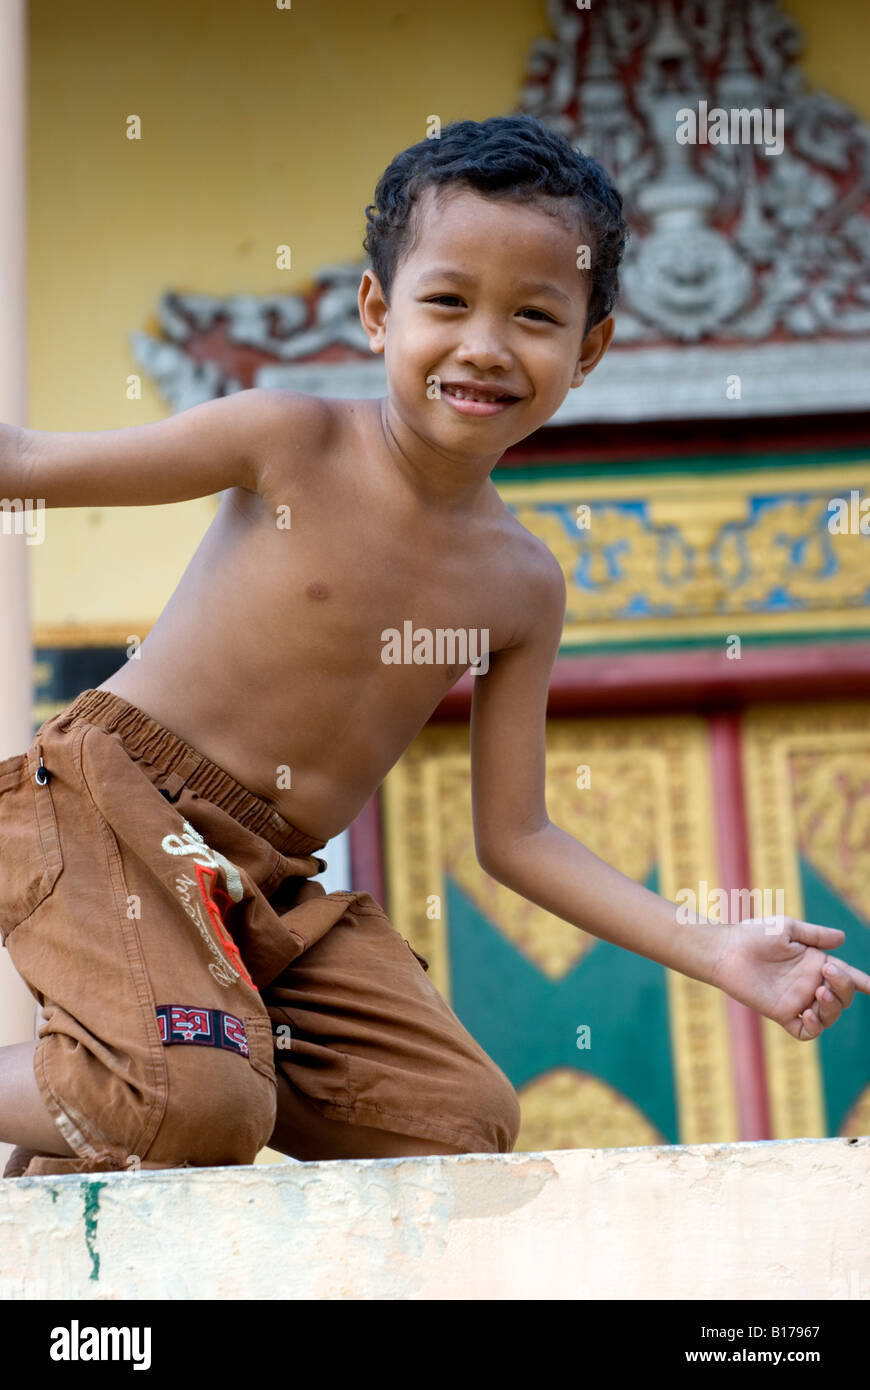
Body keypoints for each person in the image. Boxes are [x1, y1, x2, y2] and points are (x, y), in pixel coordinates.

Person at [1, 115, 867, 1179]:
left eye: (536, 316)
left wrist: (719, 947)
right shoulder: (287, 441)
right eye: (447, 301)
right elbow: (28, 464)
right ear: (378, 311)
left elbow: (519, 837)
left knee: (456, 1121)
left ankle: (109, 1111)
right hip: (107, 806)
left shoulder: (520, 585)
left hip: (266, 883)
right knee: (197, 1101)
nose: (485, 344)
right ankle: (140, 1088)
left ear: (587, 350)